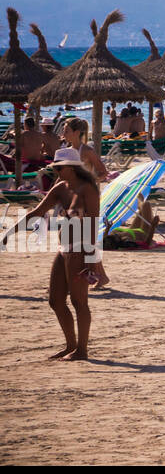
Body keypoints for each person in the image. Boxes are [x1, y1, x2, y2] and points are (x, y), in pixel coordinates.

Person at [22, 148, 101, 360]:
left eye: (60, 167)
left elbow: (93, 226)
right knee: (55, 300)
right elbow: (37, 212)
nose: (56, 170)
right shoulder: (60, 188)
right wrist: (8, 233)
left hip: (81, 250)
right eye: (55, 167)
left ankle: (82, 350)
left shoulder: (88, 189)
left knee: (79, 302)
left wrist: (93, 259)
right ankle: (70, 346)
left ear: (73, 167)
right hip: (63, 249)